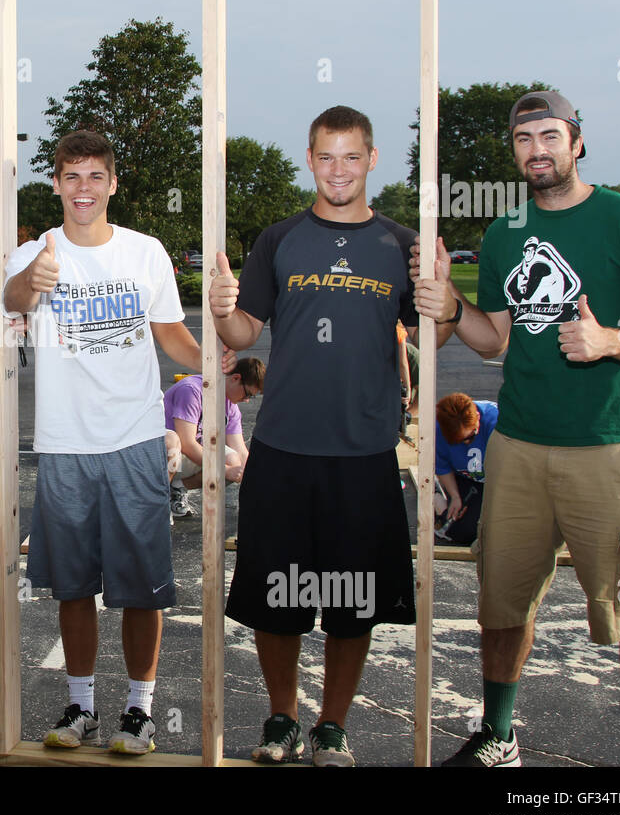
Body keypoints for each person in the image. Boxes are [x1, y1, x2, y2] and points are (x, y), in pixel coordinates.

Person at [414, 90, 620, 767]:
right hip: (520, 451)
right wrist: (453, 305)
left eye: (550, 136)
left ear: (577, 142)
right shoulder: (505, 232)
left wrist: (611, 341)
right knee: (501, 600)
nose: (537, 149)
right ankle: (499, 736)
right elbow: (495, 340)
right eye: (524, 139)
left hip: (607, 451)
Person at [207, 105, 418, 766]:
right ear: (309, 159)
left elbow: (430, 333)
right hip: (285, 449)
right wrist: (222, 311)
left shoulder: (399, 245)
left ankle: (333, 725)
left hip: (364, 453)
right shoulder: (280, 240)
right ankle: (282, 717)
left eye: (351, 156)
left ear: (371, 159)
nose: (338, 169)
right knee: (281, 598)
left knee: (352, 604)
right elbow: (246, 333)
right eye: (326, 156)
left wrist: (443, 307)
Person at [4, 129, 202, 755]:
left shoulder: (145, 252)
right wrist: (31, 280)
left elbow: (169, 333)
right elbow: (8, 306)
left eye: (95, 176)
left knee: (142, 587)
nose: (82, 188)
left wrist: (215, 370)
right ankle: (80, 706)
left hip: (135, 442)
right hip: (65, 446)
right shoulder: (33, 254)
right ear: (56, 184)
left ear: (112, 183)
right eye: (71, 176)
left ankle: (139, 712)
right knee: (73, 586)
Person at [164, 358, 264, 517]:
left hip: (184, 457)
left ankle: (176, 488)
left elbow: (241, 452)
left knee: (233, 461)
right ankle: (158, 500)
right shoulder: (192, 390)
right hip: (163, 455)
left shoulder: (231, 407)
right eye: (248, 394)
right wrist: (224, 470)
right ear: (235, 378)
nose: (246, 400)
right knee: (172, 445)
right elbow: (187, 443)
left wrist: (260, 485)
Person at [433, 393, 498, 546]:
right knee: (464, 532)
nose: (467, 443)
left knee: (497, 531)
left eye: (471, 436)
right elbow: (442, 467)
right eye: (459, 441)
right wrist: (455, 496)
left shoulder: (496, 422)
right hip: (465, 478)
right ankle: (437, 498)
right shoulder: (437, 428)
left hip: (498, 481)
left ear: (477, 417)